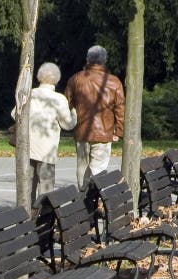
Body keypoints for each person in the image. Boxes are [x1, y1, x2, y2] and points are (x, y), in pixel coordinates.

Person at [11, 62, 77, 208]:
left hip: (26, 145)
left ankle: (24, 214)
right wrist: (74, 113)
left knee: (27, 185)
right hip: (47, 150)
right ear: (56, 80)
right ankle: (43, 217)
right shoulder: (59, 99)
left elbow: (14, 113)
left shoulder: (30, 93)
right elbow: (68, 124)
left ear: (39, 77)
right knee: (46, 187)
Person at [65, 45, 125, 191]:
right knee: (99, 167)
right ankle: (95, 196)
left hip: (82, 130)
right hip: (104, 132)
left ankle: (82, 195)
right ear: (104, 60)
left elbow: (67, 103)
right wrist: (119, 132)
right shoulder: (114, 81)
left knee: (82, 166)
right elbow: (120, 108)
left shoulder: (76, 79)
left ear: (87, 59)